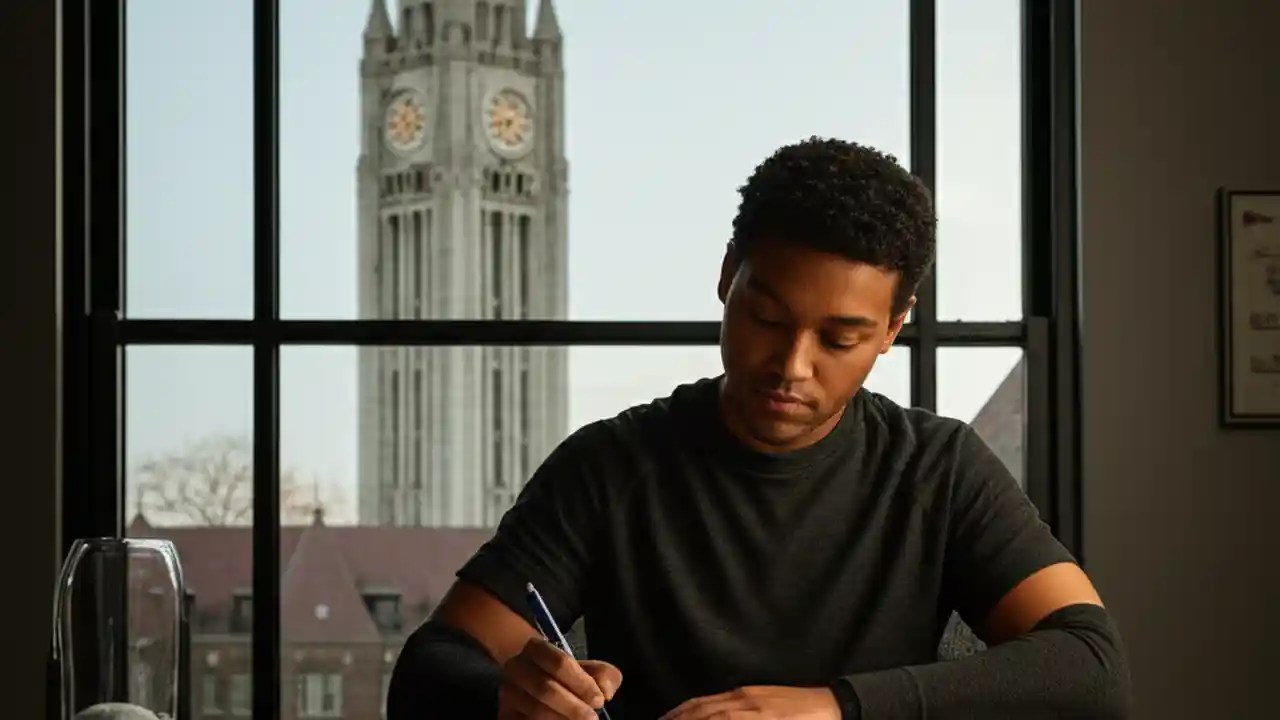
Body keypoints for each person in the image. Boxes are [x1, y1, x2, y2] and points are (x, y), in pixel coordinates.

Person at [387, 137, 1131, 720]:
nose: (791, 366)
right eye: (767, 318)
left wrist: (835, 706)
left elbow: (1090, 666)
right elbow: (433, 664)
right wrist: (507, 697)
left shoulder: (938, 467)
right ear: (727, 276)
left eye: (839, 339)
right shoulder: (611, 464)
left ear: (891, 332)